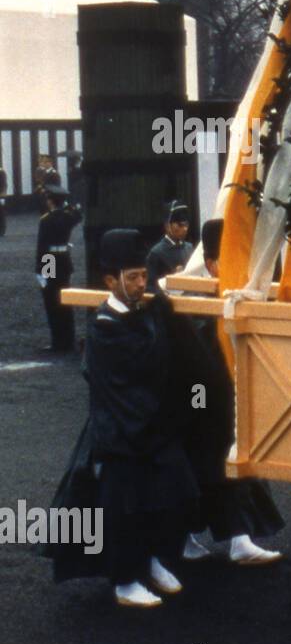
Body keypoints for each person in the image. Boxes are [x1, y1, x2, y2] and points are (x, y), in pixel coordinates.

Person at [46, 229, 203, 606]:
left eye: (142, 276)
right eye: (130, 278)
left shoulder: (142, 314)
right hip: (121, 428)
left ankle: (150, 559)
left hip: (149, 424)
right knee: (124, 508)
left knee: (173, 495)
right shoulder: (103, 328)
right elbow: (133, 375)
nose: (139, 284)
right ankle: (124, 581)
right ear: (109, 281)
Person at [179, 218, 284, 565]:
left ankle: (239, 537)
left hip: (231, 395)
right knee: (200, 461)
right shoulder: (197, 311)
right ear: (211, 265)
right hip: (200, 398)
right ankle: (184, 534)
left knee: (236, 455)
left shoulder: (251, 297)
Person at [34, 184, 82, 353]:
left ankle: (57, 341)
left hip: (50, 260)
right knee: (64, 300)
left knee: (51, 301)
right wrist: (68, 205)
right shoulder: (69, 217)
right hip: (64, 260)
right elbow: (78, 213)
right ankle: (69, 339)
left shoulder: (46, 220)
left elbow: (42, 247)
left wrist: (40, 270)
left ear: (50, 201)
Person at [146, 201, 193, 292]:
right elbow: (150, 286)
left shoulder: (189, 248)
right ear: (167, 226)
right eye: (180, 225)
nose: (185, 229)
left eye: (186, 224)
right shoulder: (156, 253)